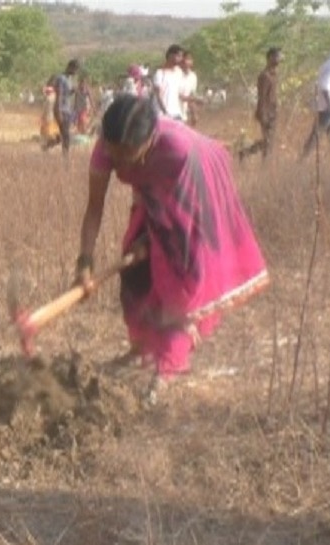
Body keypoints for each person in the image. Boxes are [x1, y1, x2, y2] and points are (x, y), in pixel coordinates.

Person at [74, 95, 269, 403]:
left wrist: (154, 240)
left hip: (199, 178)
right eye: (114, 151)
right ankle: (142, 349)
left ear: (149, 141)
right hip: (154, 192)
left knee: (180, 277)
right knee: (134, 270)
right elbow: (94, 208)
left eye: (127, 154)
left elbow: (176, 222)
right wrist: (84, 262)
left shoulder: (176, 152)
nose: (119, 161)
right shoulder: (106, 149)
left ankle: (169, 363)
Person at [240, 47, 282, 162]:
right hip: (266, 113)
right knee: (268, 141)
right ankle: (260, 161)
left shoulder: (274, 75)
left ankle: (246, 152)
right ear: (270, 58)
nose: (279, 59)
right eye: (277, 56)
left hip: (272, 112)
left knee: (269, 141)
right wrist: (263, 115)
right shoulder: (264, 76)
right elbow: (262, 97)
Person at [46, 60, 80, 155]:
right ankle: (65, 156)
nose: (75, 72)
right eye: (75, 70)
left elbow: (66, 94)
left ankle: (47, 145)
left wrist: (72, 91)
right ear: (70, 67)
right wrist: (58, 111)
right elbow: (59, 95)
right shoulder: (61, 79)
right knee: (66, 134)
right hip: (61, 109)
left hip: (67, 109)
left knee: (63, 134)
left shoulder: (69, 79)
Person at [152, 44, 186, 121]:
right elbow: (158, 96)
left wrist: (194, 99)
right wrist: (165, 112)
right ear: (170, 55)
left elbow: (180, 94)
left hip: (176, 114)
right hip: (161, 115)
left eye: (181, 56)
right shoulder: (160, 73)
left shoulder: (179, 72)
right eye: (178, 56)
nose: (181, 59)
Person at [179, 51, 203, 127]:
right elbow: (179, 96)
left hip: (183, 115)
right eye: (187, 59)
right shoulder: (176, 74)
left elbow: (191, 96)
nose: (188, 62)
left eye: (190, 59)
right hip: (171, 113)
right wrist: (196, 99)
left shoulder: (193, 77)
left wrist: (194, 114)